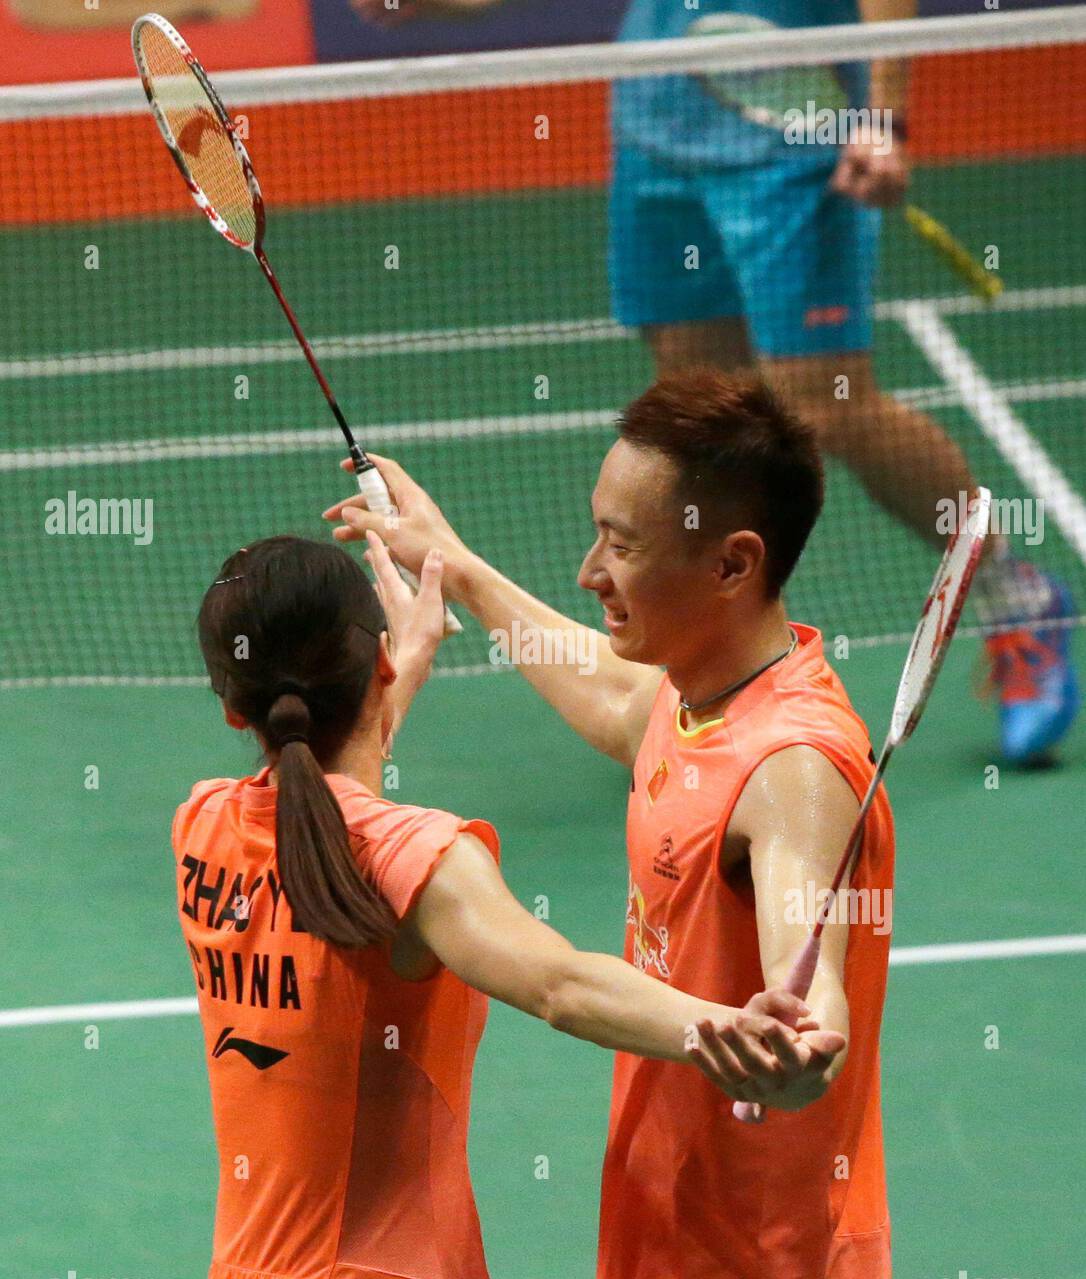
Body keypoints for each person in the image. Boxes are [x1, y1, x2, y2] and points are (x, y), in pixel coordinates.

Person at [352, 0, 1079, 764]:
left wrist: (883, 116)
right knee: (695, 417)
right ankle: (716, 674)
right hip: (660, 124)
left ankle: (1011, 589)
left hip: (794, 141)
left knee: (827, 406)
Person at [326, 367, 896, 1279]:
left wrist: (799, 1055)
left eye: (622, 546)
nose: (590, 573)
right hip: (663, 1219)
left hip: (762, 1262)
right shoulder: (698, 689)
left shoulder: (793, 769)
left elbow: (814, 983)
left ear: (732, 565)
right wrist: (453, 566)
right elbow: (611, 694)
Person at [173, 531, 841, 1279]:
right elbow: (561, 986)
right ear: (376, 663)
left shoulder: (200, 828)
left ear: (235, 712)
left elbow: (317, 787)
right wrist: (729, 1032)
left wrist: (403, 661)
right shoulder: (422, 864)